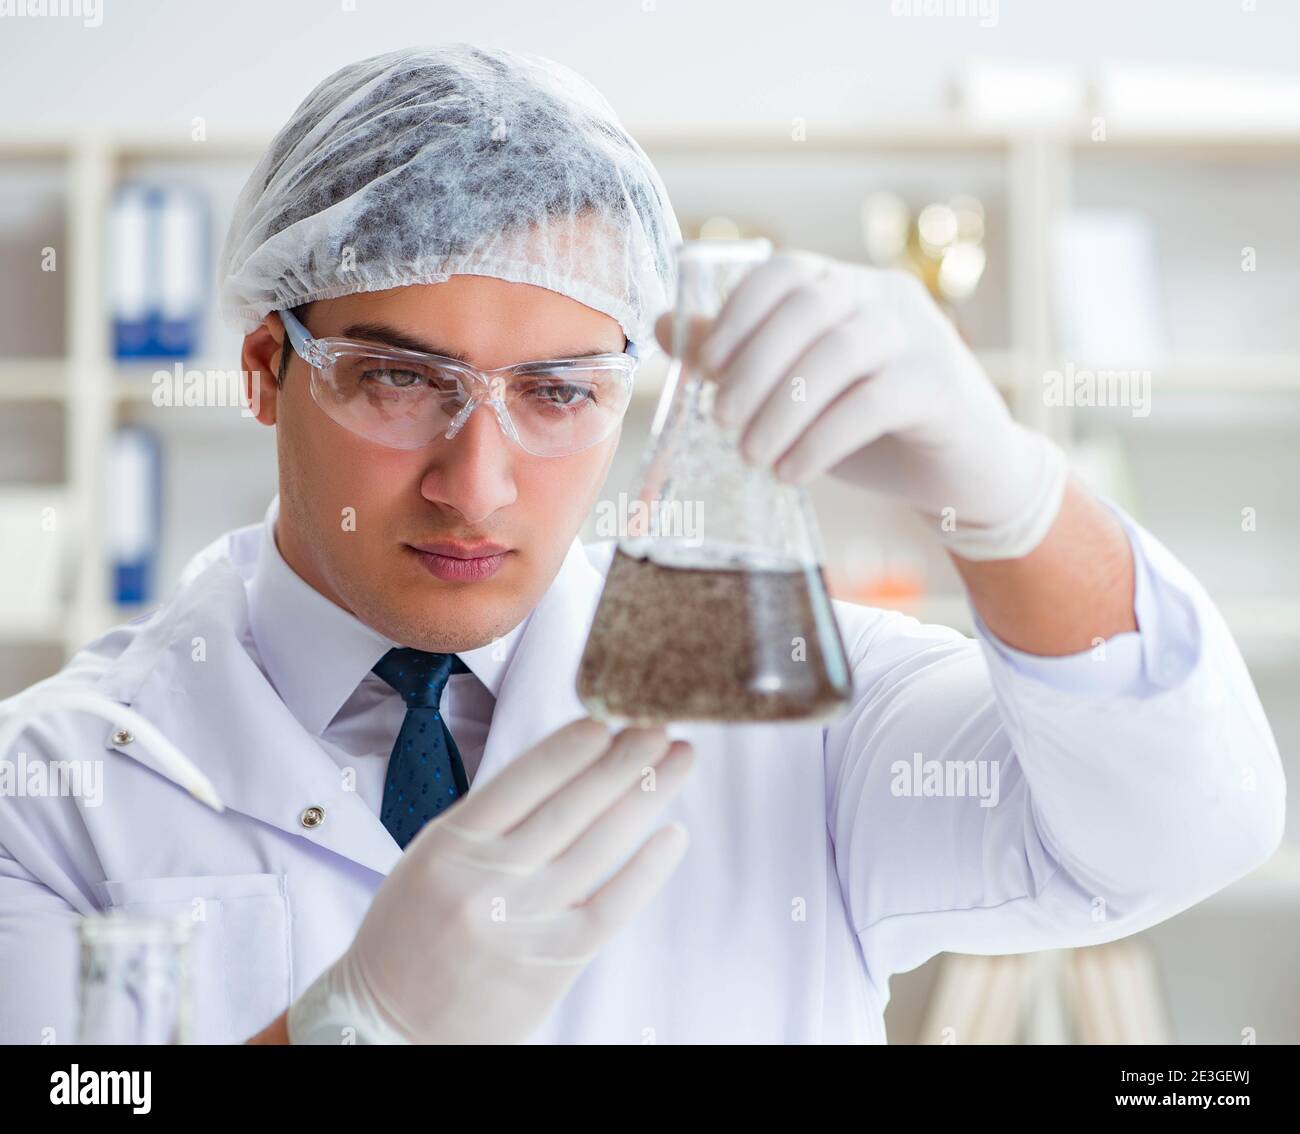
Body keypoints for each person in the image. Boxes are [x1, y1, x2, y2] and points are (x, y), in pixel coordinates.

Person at [0, 43, 1284, 1045]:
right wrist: (347, 1031)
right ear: (268, 370)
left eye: (559, 393)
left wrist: (1006, 494)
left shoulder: (791, 714)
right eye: (398, 378)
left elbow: (1178, 831)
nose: (475, 483)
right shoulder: (53, 789)